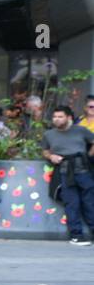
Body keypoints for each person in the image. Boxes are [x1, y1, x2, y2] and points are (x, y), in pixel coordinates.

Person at [41, 105, 94, 246]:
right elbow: (45, 150)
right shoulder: (49, 134)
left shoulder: (81, 130)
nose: (56, 120)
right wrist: (51, 156)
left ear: (69, 117)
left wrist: (89, 156)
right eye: (54, 117)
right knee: (72, 204)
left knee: (90, 202)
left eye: (60, 117)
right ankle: (76, 235)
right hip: (64, 171)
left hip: (84, 169)